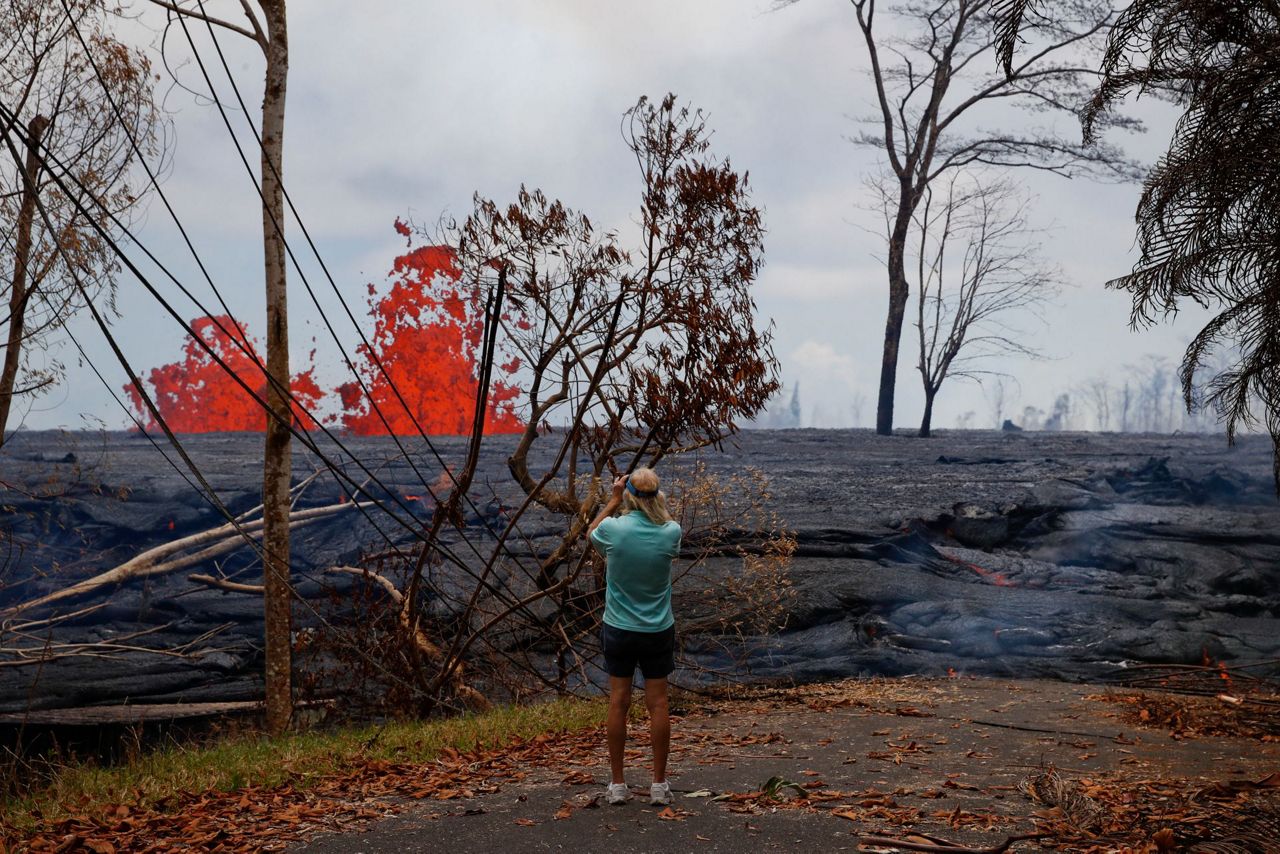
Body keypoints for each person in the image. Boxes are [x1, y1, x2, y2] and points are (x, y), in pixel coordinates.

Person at [588, 467, 682, 806]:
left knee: (619, 702)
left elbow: (591, 532)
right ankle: (658, 784)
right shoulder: (671, 531)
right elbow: (666, 540)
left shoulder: (614, 530)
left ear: (628, 494)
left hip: (619, 628)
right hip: (657, 628)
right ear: (657, 495)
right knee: (657, 704)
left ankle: (618, 785)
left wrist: (613, 499)